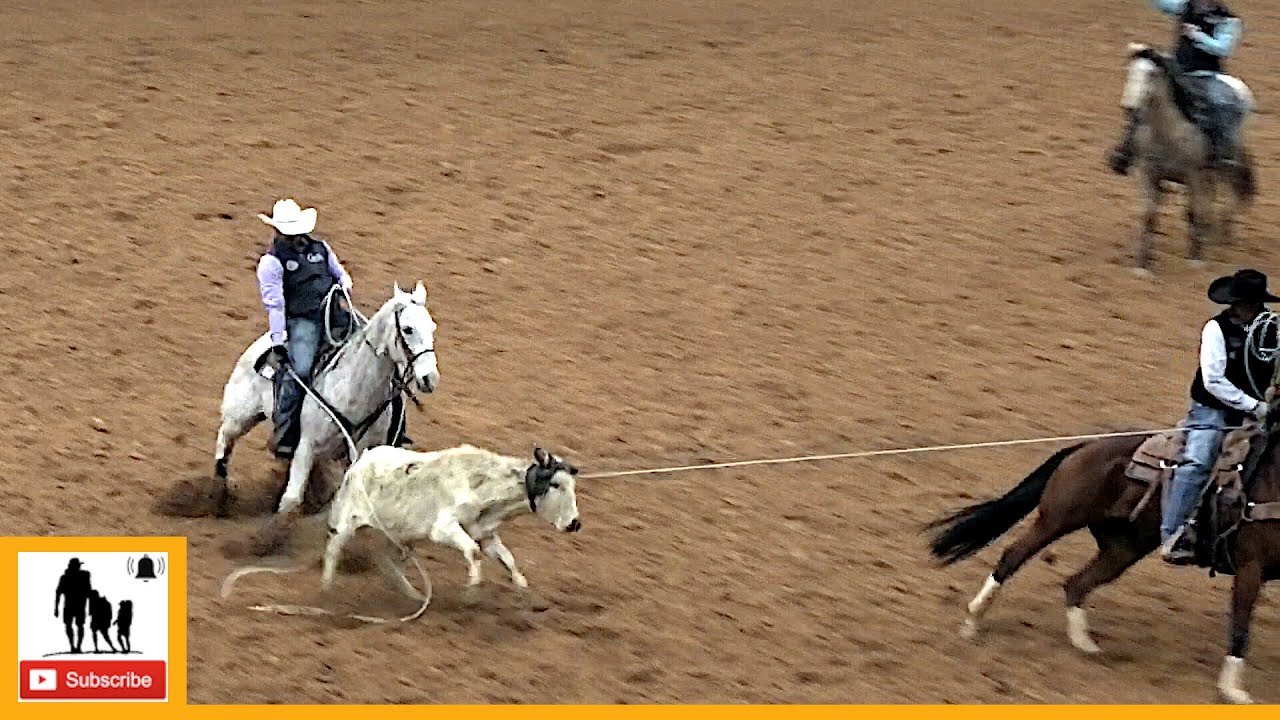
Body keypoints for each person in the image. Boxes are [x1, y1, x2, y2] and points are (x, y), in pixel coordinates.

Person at [255, 199, 413, 482]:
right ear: (279, 232)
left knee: (382, 356)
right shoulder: (271, 263)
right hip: (302, 322)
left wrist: (344, 285)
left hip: (335, 315)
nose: (294, 237)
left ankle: (395, 431)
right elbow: (275, 304)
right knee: (299, 372)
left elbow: (340, 273)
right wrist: (279, 341)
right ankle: (287, 437)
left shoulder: (320, 249)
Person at [1160, 269, 1277, 564]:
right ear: (1234, 303)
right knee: (1198, 460)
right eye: (1245, 303)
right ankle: (1173, 533)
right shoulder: (1216, 329)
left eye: (1255, 303)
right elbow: (1213, 380)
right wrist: (1255, 406)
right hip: (1213, 411)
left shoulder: (1271, 330)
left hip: (1257, 412)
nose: (1251, 309)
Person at [1109, 0, 1247, 174]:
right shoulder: (1186, 5)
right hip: (1176, 69)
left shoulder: (1228, 20)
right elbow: (1161, 4)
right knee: (1144, 94)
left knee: (1218, 104)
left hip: (1206, 74)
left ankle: (1222, 154)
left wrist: (1199, 36)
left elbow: (1223, 48)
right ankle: (1126, 150)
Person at [54, 558, 91, 654]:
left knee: (77, 625)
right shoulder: (67, 577)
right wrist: (56, 608)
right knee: (72, 625)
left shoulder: (84, 575)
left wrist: (56, 608)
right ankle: (74, 646)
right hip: (74, 605)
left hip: (77, 605)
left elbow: (88, 591)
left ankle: (77, 646)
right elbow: (58, 592)